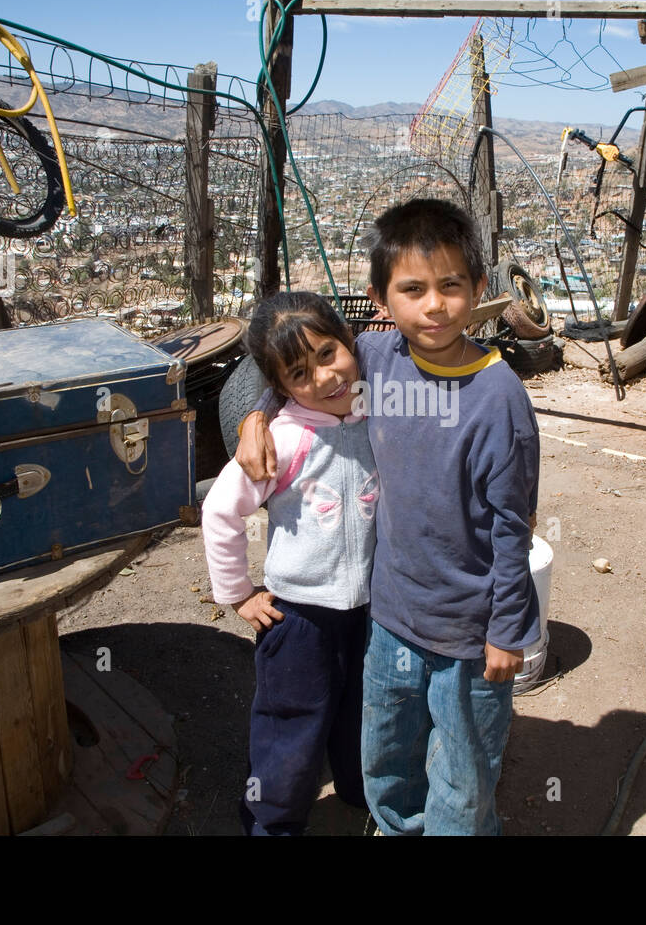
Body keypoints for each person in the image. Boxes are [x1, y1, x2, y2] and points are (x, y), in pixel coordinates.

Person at [236, 198, 540, 835]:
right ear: (380, 301)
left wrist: (508, 629)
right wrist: (255, 414)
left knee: (463, 772)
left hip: (467, 631)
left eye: (451, 285)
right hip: (391, 618)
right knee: (387, 758)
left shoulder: (498, 398)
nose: (434, 305)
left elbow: (514, 526)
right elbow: (284, 361)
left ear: (479, 289)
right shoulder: (376, 359)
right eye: (413, 289)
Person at [202, 290, 377, 836]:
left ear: (349, 342)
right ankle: (271, 821)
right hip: (298, 615)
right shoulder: (282, 438)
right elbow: (219, 511)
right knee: (290, 724)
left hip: (371, 607)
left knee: (362, 710)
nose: (325, 378)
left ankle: (359, 790)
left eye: (329, 354)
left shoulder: (377, 415)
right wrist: (239, 592)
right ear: (281, 387)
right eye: (301, 373)